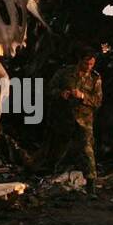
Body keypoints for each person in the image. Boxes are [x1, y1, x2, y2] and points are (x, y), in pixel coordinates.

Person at [45, 49, 103, 196]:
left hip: (84, 120)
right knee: (59, 148)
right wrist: (60, 93)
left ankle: (91, 185)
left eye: (91, 64)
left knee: (87, 150)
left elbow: (97, 101)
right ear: (80, 61)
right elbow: (48, 89)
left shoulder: (95, 78)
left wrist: (83, 96)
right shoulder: (64, 73)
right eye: (86, 63)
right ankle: (53, 178)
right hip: (63, 117)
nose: (89, 67)